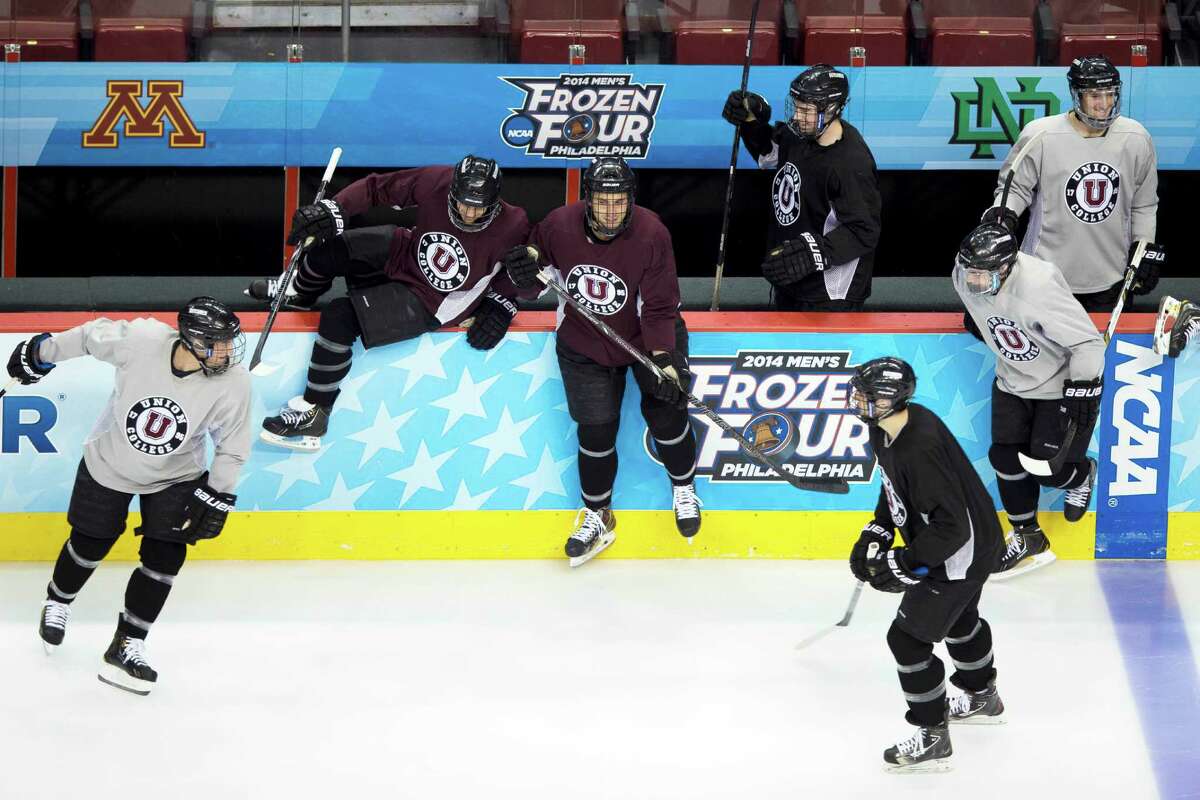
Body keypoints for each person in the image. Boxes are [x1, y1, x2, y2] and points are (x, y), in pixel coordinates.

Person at [6, 298, 252, 695]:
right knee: (90, 542)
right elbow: (89, 336)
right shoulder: (141, 339)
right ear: (189, 340)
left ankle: (127, 644)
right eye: (216, 343)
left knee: (166, 557)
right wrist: (40, 352)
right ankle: (59, 601)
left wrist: (219, 492)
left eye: (228, 342)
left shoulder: (234, 382)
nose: (226, 352)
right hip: (110, 462)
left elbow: (233, 445)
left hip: (177, 476)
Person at [247, 154, 530, 450]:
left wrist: (503, 302)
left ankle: (315, 413)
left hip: (433, 301)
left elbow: (531, 271)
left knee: (339, 316)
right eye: (463, 203)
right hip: (405, 252)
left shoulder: (514, 223)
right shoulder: (437, 181)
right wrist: (334, 210)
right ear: (453, 189)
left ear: (495, 201)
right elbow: (375, 187)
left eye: (478, 207)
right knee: (327, 247)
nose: (469, 213)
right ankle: (297, 294)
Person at [501, 157, 701, 567]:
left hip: (648, 335)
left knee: (666, 410)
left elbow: (660, 306)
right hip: (584, 341)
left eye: (620, 201)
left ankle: (683, 485)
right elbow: (534, 274)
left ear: (631, 199)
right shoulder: (559, 224)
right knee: (596, 432)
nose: (612, 211)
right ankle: (598, 514)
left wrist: (664, 358)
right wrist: (524, 271)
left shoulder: (651, 232)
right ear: (588, 199)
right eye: (603, 201)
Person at [847, 357, 1005, 773]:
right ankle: (980, 694)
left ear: (892, 399)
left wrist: (905, 562)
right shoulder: (886, 429)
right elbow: (892, 487)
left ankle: (932, 735)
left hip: (960, 552)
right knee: (958, 620)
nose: (857, 398)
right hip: (973, 542)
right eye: (859, 390)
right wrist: (879, 530)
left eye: (868, 394)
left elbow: (952, 527)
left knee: (907, 640)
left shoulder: (920, 446)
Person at [953, 223, 1106, 579]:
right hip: (1011, 380)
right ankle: (1028, 536)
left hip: (1056, 385)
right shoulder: (963, 272)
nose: (973, 284)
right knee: (1003, 456)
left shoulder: (1039, 286)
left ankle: (1081, 475)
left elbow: (1088, 343)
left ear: (1007, 267)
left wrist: (1084, 383)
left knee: (1049, 471)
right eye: (969, 274)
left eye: (983, 277)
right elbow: (978, 308)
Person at [980, 55, 1162, 313]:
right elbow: (1015, 189)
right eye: (1095, 95)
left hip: (1110, 279)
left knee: (1098, 354)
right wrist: (1003, 216)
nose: (1104, 104)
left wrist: (1144, 247)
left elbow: (1143, 205)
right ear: (1077, 95)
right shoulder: (1040, 135)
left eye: (1110, 94)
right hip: (1043, 277)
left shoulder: (1136, 138)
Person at [722, 63, 881, 311]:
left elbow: (864, 230)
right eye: (796, 107)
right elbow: (770, 154)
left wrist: (814, 252)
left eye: (805, 110)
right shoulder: (798, 136)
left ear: (831, 109)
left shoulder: (851, 162)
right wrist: (751, 122)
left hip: (829, 295)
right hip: (790, 278)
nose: (797, 116)